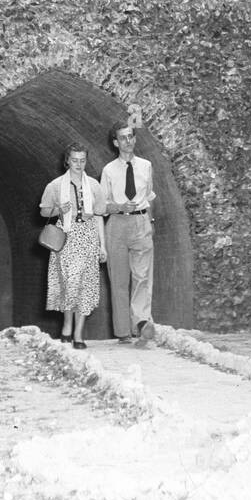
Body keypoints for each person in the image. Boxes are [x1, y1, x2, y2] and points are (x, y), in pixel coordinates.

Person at [39, 143, 107, 348]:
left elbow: (99, 216)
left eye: (82, 160)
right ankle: (67, 324)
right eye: (75, 160)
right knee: (70, 284)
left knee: (86, 287)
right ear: (67, 160)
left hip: (88, 238)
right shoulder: (55, 185)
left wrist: (102, 246)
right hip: (66, 238)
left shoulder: (94, 185)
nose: (79, 164)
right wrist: (58, 209)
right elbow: (43, 212)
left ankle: (78, 334)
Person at [100, 119, 156, 345]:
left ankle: (141, 323)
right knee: (119, 279)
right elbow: (102, 205)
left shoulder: (146, 166)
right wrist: (119, 207)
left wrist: (150, 220)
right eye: (122, 138)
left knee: (142, 276)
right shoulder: (108, 171)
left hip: (141, 222)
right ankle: (123, 330)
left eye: (131, 136)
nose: (128, 141)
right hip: (117, 224)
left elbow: (150, 196)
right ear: (116, 142)